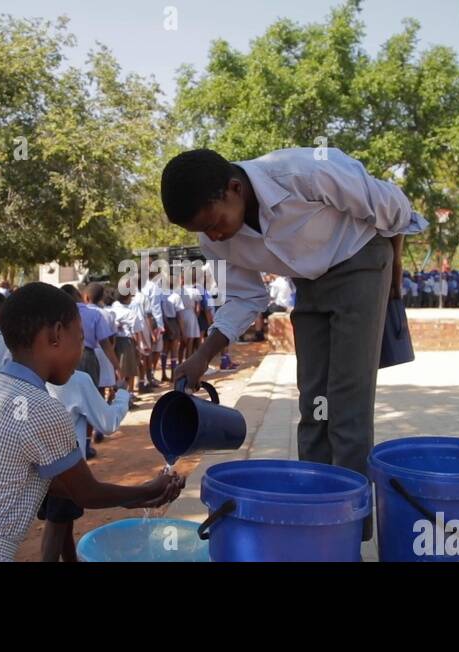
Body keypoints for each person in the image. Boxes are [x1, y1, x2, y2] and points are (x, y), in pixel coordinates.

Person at [160, 147, 426, 542]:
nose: (213, 236)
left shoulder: (304, 172)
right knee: (314, 406)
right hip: (311, 284)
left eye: (216, 223)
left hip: (361, 263)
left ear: (234, 188)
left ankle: (350, 531)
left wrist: (396, 265)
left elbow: (392, 204)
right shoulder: (213, 237)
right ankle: (317, 516)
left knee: (346, 407)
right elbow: (244, 297)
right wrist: (202, 355)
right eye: (204, 231)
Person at [0, 282, 184, 563]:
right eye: (80, 337)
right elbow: (86, 493)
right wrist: (150, 490)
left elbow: (51, 483)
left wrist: (136, 495)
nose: (80, 352)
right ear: (56, 335)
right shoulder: (42, 408)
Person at [42, 369, 132, 562]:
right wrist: (123, 395)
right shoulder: (77, 380)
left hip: (40, 467)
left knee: (63, 522)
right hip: (67, 470)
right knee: (56, 526)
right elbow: (108, 423)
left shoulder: (31, 377)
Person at [109, 289, 141, 398]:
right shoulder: (130, 313)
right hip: (126, 342)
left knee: (117, 369)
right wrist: (138, 346)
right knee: (129, 369)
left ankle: (116, 393)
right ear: (126, 299)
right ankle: (129, 394)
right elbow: (136, 331)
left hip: (112, 342)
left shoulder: (111, 309)